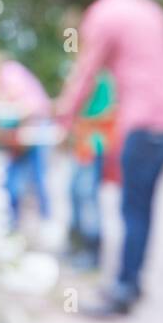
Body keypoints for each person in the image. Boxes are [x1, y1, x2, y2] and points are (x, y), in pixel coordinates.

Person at [52, 0, 163, 316]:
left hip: (145, 120)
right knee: (141, 206)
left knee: (133, 207)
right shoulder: (145, 8)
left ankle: (123, 291)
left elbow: (86, 74)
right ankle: (130, 283)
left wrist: (63, 119)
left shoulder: (101, 16)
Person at [0, 49, 52, 234]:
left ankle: (44, 226)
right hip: (16, 135)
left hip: (35, 127)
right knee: (13, 184)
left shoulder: (10, 73)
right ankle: (15, 227)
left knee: (37, 180)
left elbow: (27, 108)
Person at [65, 70, 116, 271]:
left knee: (87, 198)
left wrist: (81, 123)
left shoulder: (100, 77)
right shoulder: (87, 73)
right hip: (82, 147)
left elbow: (108, 114)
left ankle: (91, 252)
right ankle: (76, 246)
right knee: (75, 194)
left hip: (94, 146)